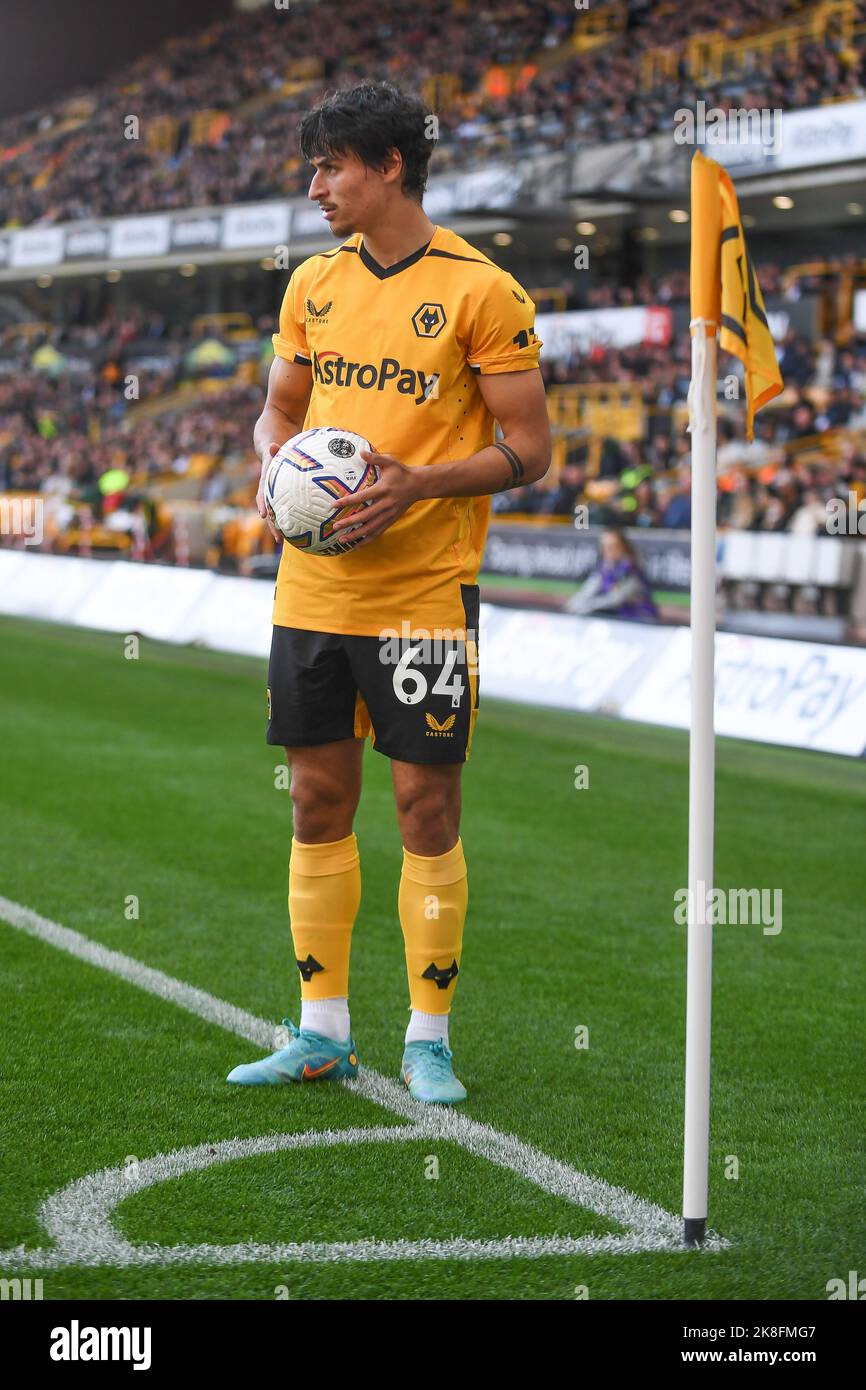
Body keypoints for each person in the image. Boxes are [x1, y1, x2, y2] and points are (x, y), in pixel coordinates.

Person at [226, 81, 550, 1103]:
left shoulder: (480, 291)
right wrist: (273, 470)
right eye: (314, 166)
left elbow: (530, 452)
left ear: (390, 167)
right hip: (311, 593)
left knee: (423, 807)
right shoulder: (311, 284)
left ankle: (428, 1036)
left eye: (330, 166)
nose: (313, 184)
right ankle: (321, 1031)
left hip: (420, 596)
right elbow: (276, 411)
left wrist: (414, 482)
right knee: (316, 802)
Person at [564, 528, 658, 621]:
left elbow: (615, 599)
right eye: (604, 546)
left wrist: (584, 606)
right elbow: (588, 589)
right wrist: (573, 604)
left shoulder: (632, 569)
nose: (608, 550)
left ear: (624, 547)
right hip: (618, 618)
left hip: (640, 619)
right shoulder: (606, 566)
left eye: (613, 546)